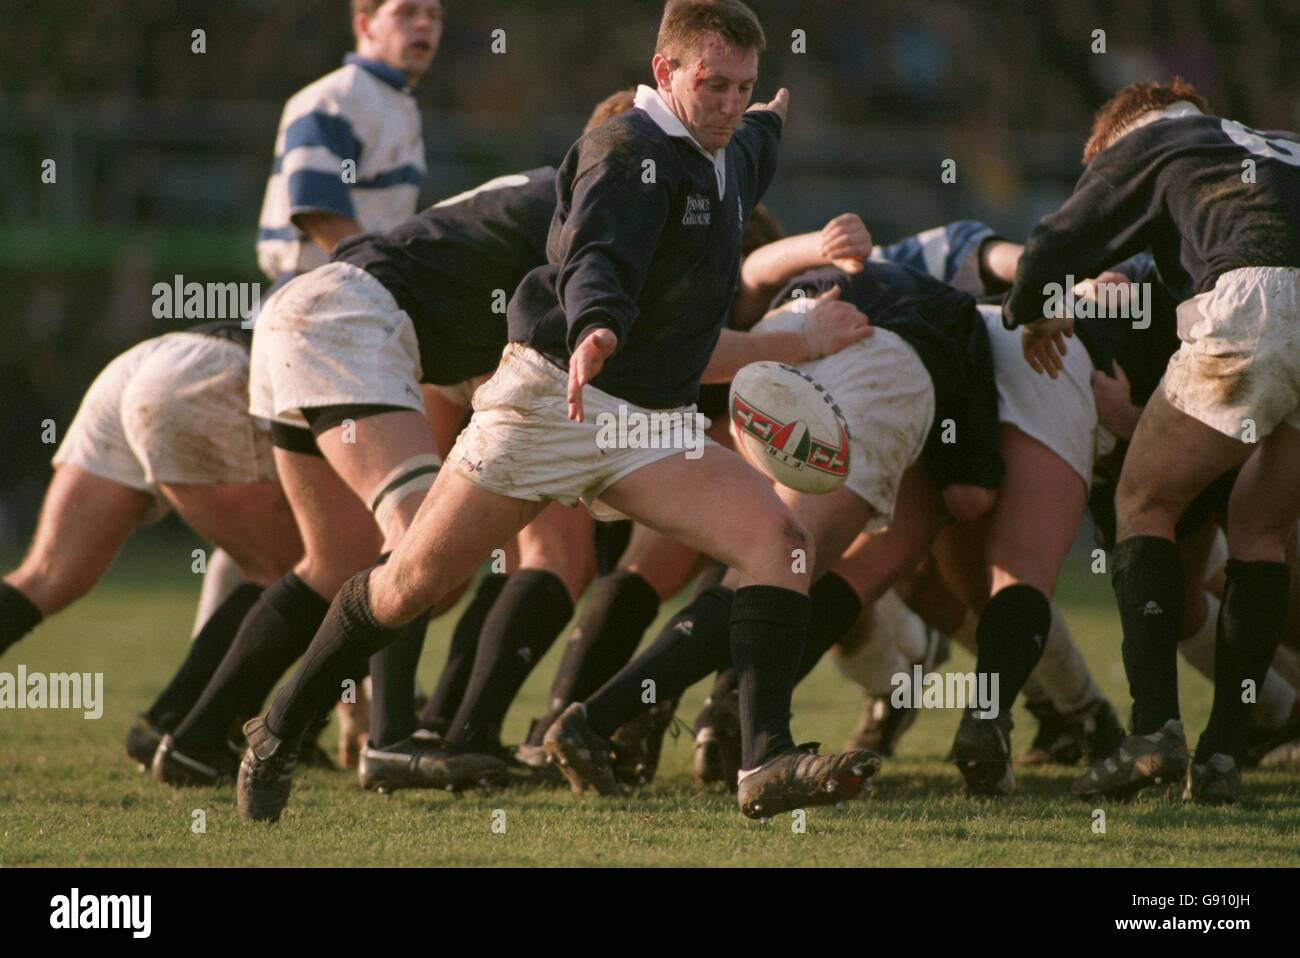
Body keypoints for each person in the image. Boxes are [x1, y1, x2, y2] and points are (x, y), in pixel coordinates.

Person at [236, 0, 879, 824]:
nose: (726, 102)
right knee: (411, 584)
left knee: (779, 542)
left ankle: (766, 762)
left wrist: (772, 117)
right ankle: (279, 726)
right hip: (551, 402)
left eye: (741, 86)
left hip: (648, 428)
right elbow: (596, 254)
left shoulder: (736, 142)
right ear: (664, 72)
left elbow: (760, 133)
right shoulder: (622, 151)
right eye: (711, 84)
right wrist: (596, 324)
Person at [1005, 78, 1300, 804]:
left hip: (1256, 299)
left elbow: (1053, 242)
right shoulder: (1273, 145)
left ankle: (1153, 735)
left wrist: (1034, 309)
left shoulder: (1151, 141)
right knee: (1262, 528)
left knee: (1142, 501)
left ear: (1115, 140)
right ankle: (1226, 755)